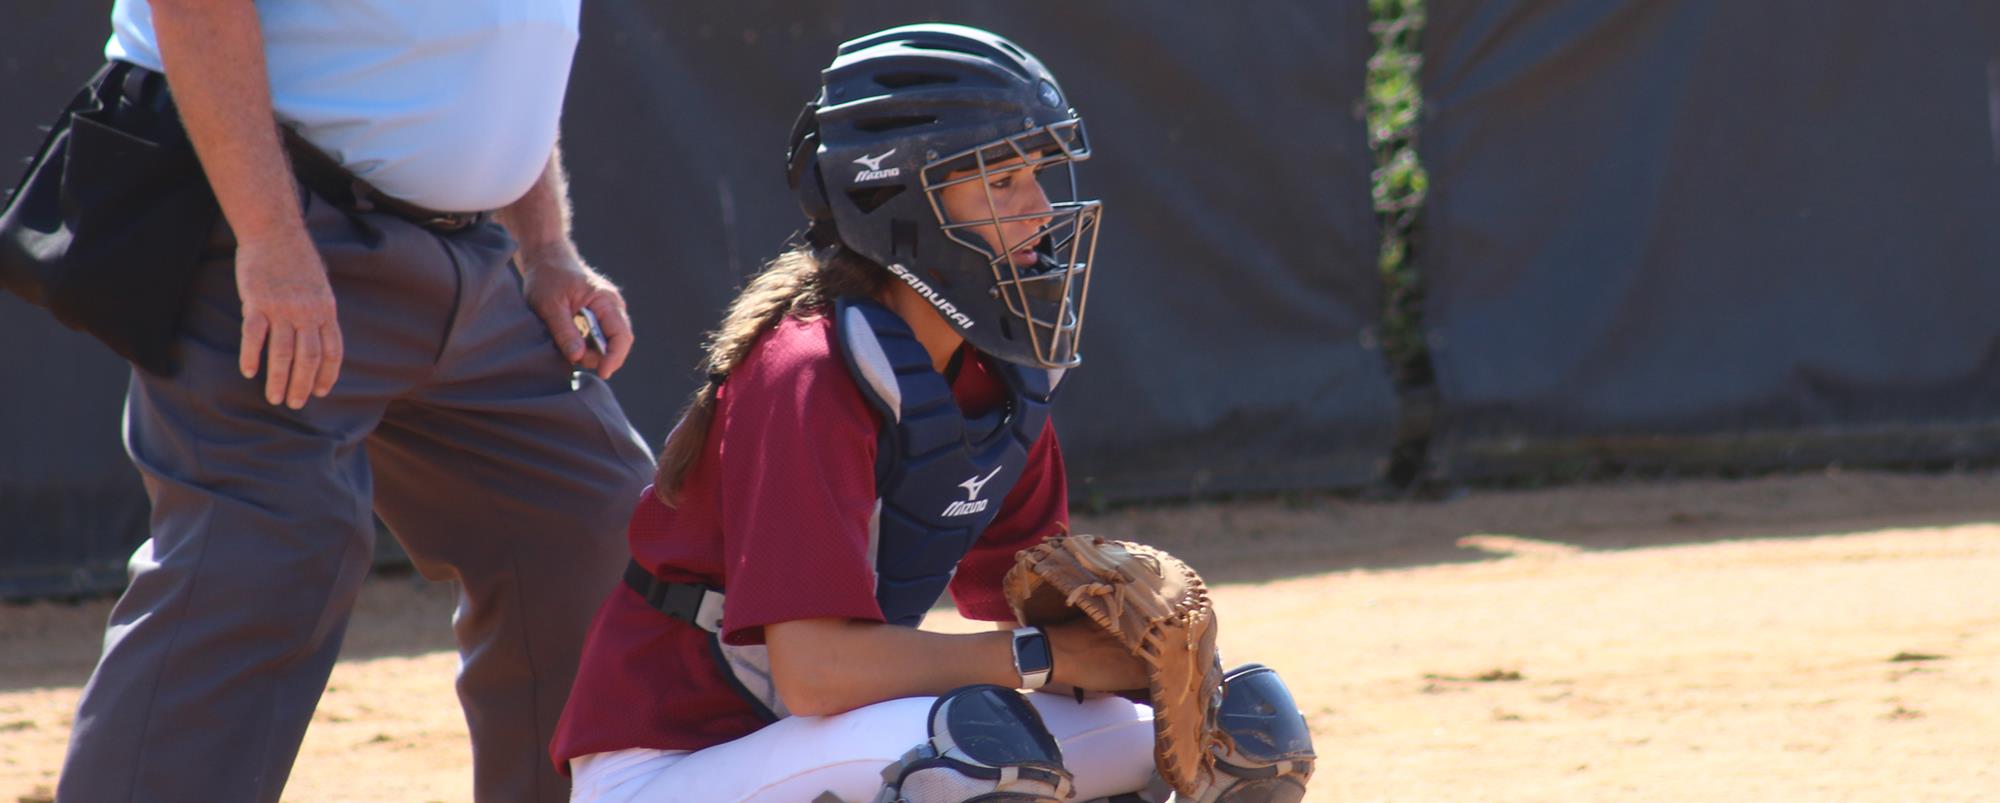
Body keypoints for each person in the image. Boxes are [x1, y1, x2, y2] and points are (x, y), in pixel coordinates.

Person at [549, 24, 1314, 803]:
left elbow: (1023, 601)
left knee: (1242, 733)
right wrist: (1044, 655)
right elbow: (815, 673)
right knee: (976, 755)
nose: (1040, 212)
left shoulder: (994, 374)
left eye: (1038, 175)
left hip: (826, 740)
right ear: (895, 199)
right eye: (1000, 180)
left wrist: (1125, 645)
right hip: (670, 765)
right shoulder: (808, 369)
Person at [57, 1, 656, 801]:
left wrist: (543, 244)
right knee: (267, 553)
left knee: (589, 518)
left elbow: (499, 52)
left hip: (473, 253)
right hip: (274, 212)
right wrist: (270, 238)